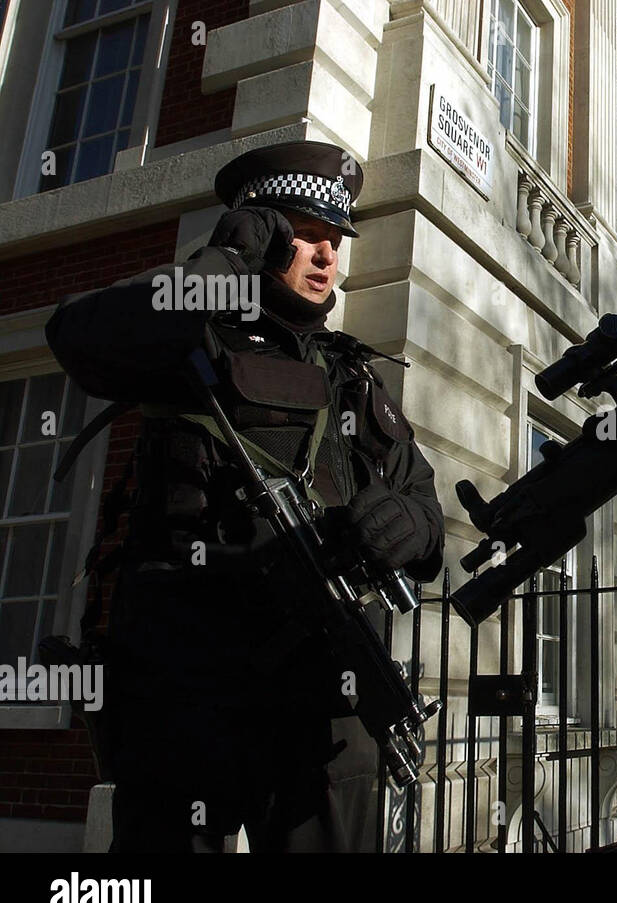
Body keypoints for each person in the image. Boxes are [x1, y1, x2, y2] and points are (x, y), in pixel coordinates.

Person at [46, 141, 446, 852]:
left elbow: (425, 506)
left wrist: (406, 525)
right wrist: (226, 261)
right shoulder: (187, 337)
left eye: (335, 240)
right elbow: (77, 336)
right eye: (304, 236)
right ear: (261, 232)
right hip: (185, 693)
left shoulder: (355, 377)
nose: (326, 256)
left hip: (320, 700)